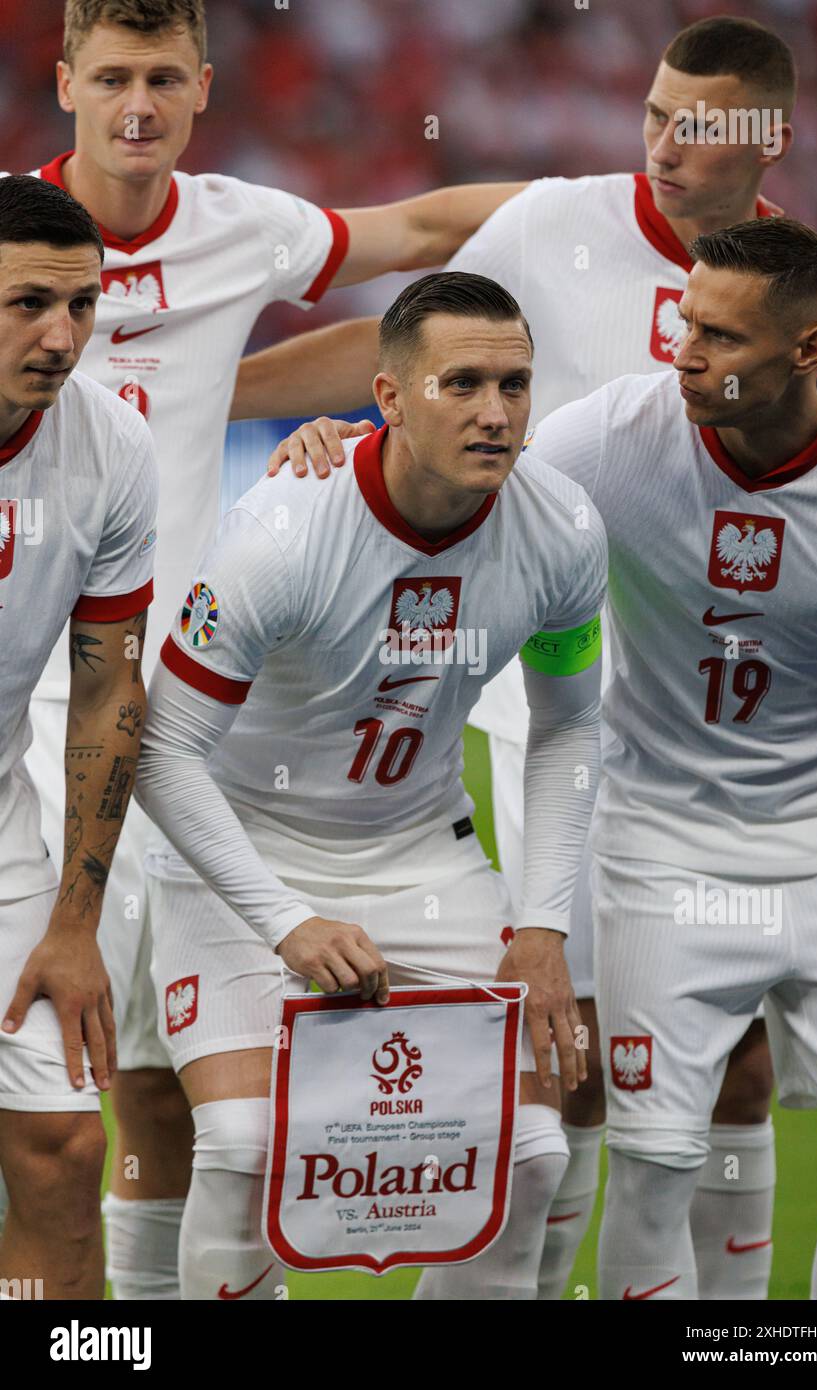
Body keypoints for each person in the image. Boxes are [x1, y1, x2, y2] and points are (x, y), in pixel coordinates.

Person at [260, 15, 817, 1301]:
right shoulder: (554, 228)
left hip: (746, 741)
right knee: (563, 1050)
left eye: (697, 128)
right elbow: (417, 349)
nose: (661, 146)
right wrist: (273, 408)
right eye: (652, 112)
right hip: (578, 721)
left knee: (727, 1069)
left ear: (771, 140)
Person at [12, 0, 526, 1299]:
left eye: (166, 79)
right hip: (32, 725)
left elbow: (416, 239)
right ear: (62, 76)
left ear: (202, 89)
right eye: (114, 75)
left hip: (167, 714)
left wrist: (603, 205)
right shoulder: (10, 240)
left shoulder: (243, 227)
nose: (140, 106)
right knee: (79, 1103)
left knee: (161, 1098)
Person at [134, 271, 607, 1300]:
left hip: (422, 852)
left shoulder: (564, 529)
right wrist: (286, 920)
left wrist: (544, 920)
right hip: (241, 854)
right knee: (248, 1148)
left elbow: (570, 724)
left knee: (530, 1159)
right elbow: (161, 748)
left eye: (516, 385)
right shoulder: (282, 530)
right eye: (463, 383)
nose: (496, 413)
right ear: (388, 397)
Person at [522, 216, 817, 1299]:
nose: (683, 350)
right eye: (683, 320)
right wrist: (337, 447)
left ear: (808, 350)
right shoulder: (618, 437)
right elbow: (464, 481)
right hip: (663, 852)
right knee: (658, 1163)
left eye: (720, 337)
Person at [0, 174, 158, 1298]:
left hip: (4, 843)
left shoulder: (111, 449)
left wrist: (73, 919)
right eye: (25, 305)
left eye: (83, 306)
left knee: (66, 1146)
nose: (62, 338)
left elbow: (107, 690)